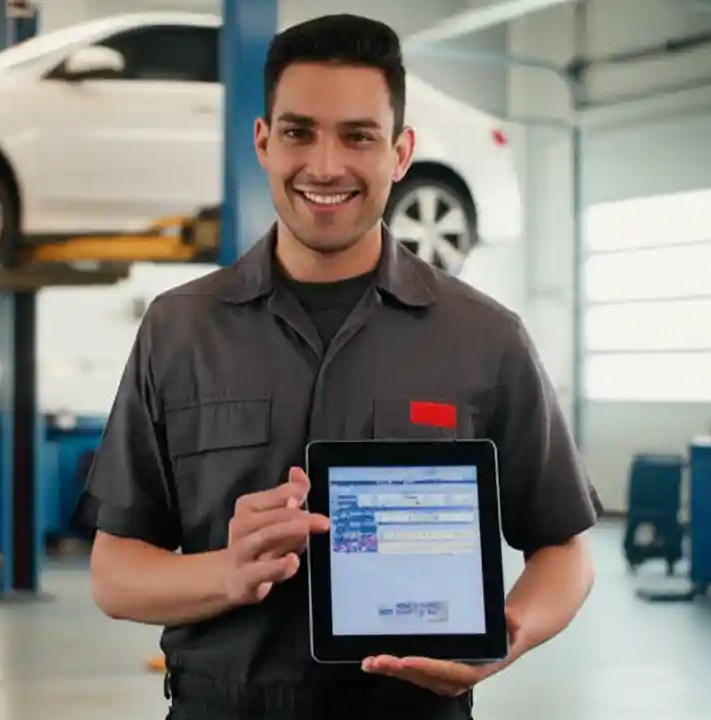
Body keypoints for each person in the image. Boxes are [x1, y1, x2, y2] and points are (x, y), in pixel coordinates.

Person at [75, 13, 601, 720]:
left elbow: (564, 549)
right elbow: (114, 575)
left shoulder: (485, 337)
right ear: (263, 141)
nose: (325, 166)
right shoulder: (180, 329)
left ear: (401, 152)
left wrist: (508, 637)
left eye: (358, 136)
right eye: (298, 132)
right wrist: (227, 573)